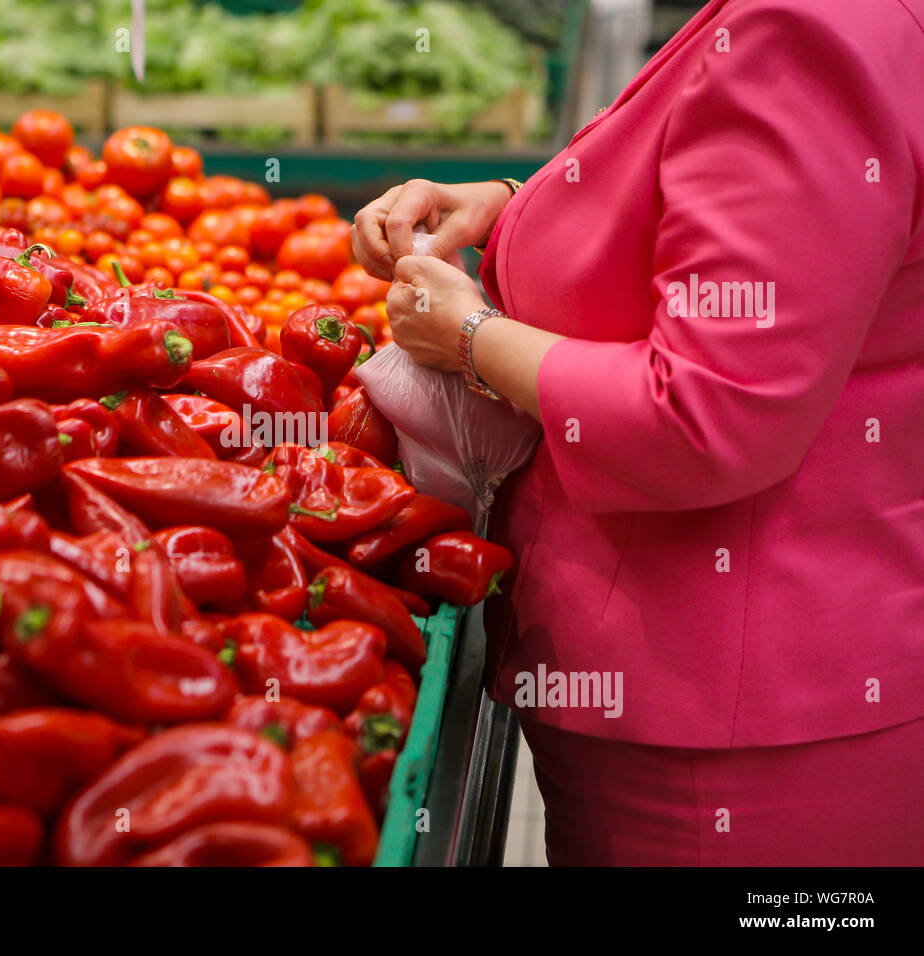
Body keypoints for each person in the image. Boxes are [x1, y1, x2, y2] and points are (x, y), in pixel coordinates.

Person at [352, 0, 924, 865]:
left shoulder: (804, 31)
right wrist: (509, 208)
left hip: (729, 735)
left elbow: (706, 410)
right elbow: (748, 245)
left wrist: (470, 337)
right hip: (762, 688)